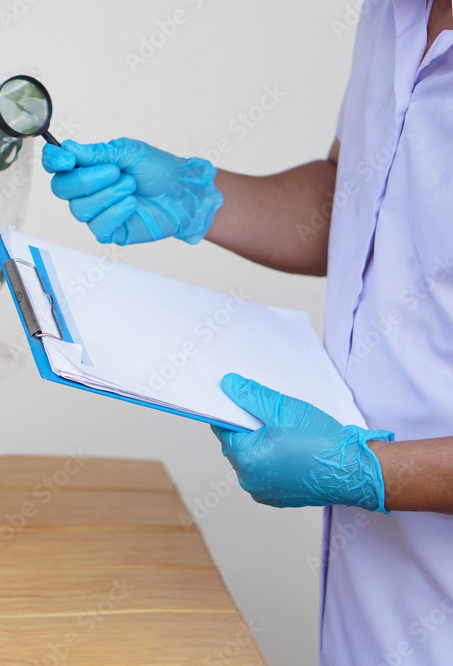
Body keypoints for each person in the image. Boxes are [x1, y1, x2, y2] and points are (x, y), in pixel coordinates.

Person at [41, 1, 453, 664]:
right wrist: (200, 197)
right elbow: (359, 207)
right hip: (371, 608)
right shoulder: (393, 14)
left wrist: (368, 470)